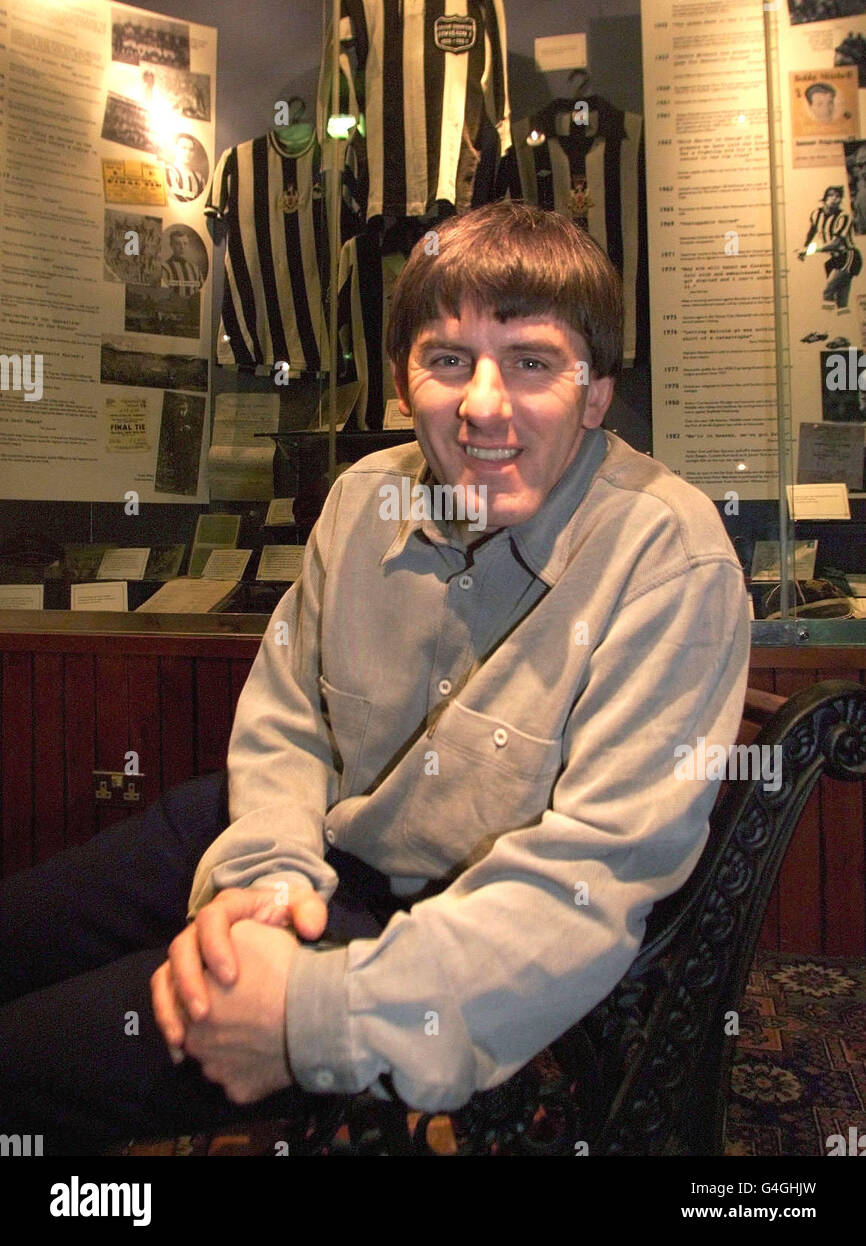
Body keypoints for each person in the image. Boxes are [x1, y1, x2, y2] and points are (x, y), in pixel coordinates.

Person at [0, 202, 749, 1152]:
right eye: (448, 360)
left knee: (26, 1065)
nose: (484, 404)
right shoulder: (362, 501)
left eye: (531, 361)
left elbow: (589, 881)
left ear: (595, 393)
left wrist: (311, 1017)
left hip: (443, 919)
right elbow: (287, 725)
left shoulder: (672, 558)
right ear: (405, 382)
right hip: (295, 835)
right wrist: (262, 884)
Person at [797, 185, 861, 309]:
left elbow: (836, 243)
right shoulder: (816, 213)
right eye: (831, 195)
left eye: (838, 197)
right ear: (825, 198)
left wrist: (811, 250)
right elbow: (812, 232)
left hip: (848, 256)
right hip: (834, 259)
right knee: (841, 301)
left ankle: (829, 321)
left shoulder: (844, 217)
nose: (834, 199)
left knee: (828, 291)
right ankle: (841, 322)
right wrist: (804, 249)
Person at [159, 227, 203, 296]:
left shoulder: (195, 269)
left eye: (185, 243)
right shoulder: (165, 268)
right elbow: (163, 293)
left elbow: (200, 292)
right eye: (177, 243)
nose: (182, 247)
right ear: (171, 245)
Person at [166, 133, 205, 202]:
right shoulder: (170, 171)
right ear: (175, 149)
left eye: (191, 150)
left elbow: (202, 199)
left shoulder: (199, 178)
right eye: (183, 148)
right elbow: (174, 196)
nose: (187, 153)